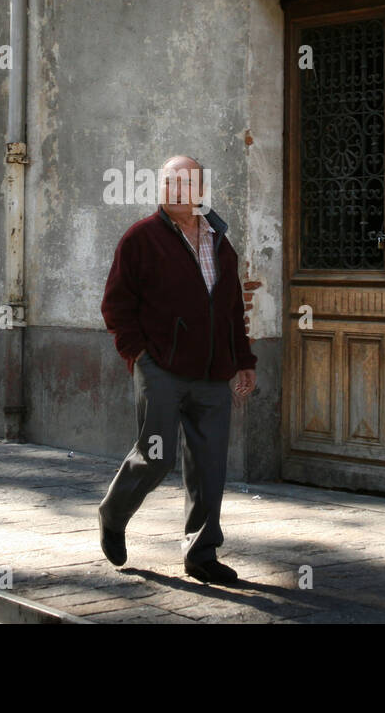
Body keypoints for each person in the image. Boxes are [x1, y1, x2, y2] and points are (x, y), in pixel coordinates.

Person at [97, 155, 257, 586]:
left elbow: (230, 310)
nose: (177, 188)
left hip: (212, 373)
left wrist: (243, 360)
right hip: (161, 369)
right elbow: (116, 306)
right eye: (169, 180)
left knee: (209, 466)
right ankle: (113, 513)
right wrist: (139, 356)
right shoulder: (140, 239)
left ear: (201, 189)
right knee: (155, 454)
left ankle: (201, 554)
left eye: (186, 181)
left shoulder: (220, 242)